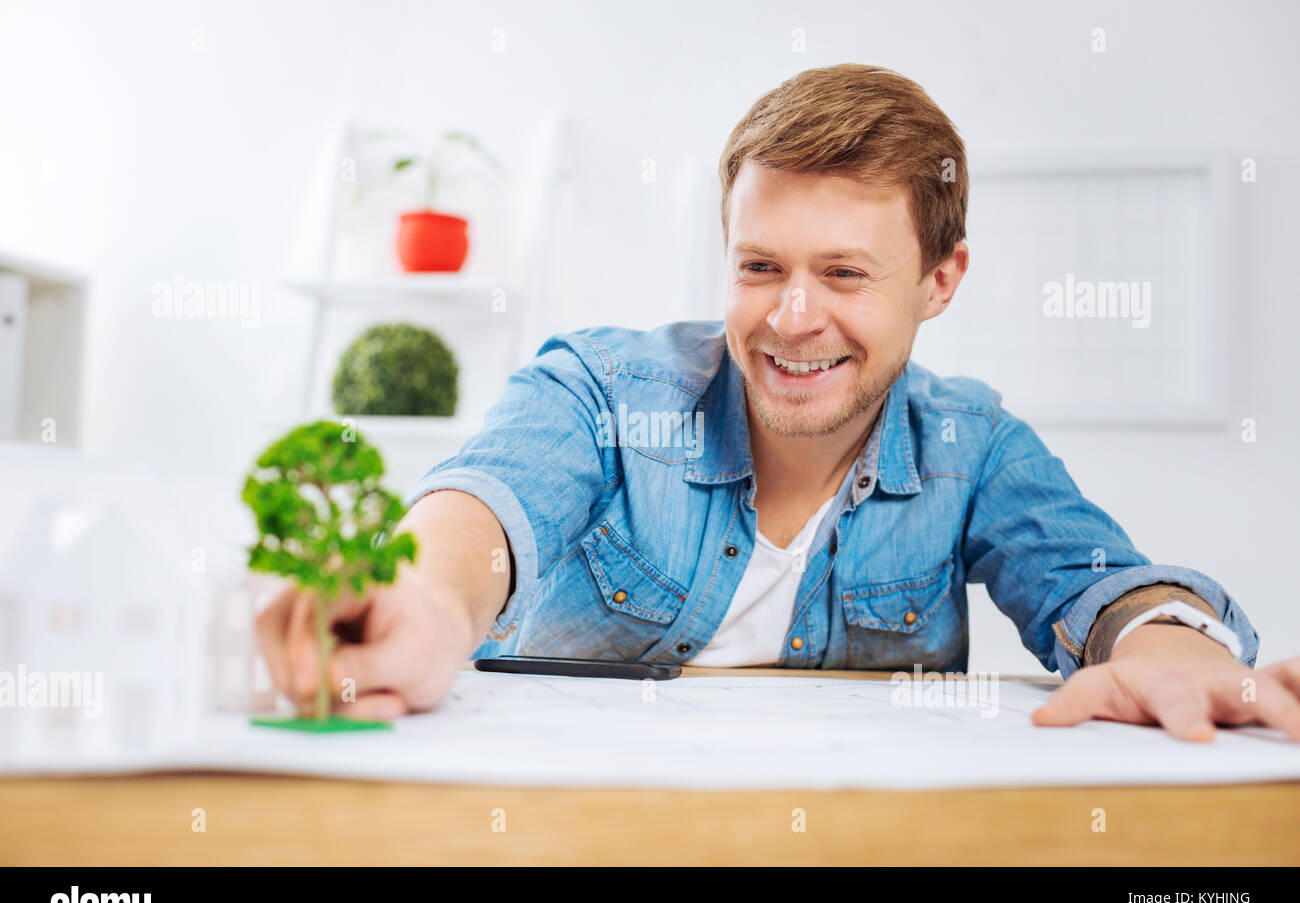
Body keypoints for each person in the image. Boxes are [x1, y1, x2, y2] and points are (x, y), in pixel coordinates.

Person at [256, 63, 1300, 743]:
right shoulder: (606, 387)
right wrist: (427, 606)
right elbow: (486, 507)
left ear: (940, 281)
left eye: (845, 274)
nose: (792, 318)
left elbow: (1101, 582)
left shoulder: (970, 443)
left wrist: (1173, 651)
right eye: (760, 265)